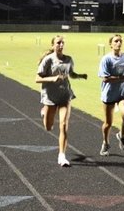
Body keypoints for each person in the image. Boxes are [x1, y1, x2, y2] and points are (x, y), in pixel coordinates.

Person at [35, 35, 87, 167]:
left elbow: (71, 74)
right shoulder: (48, 60)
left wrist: (80, 76)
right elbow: (37, 78)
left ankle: (62, 156)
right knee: (48, 127)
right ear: (53, 45)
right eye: (58, 43)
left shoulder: (68, 59)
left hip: (65, 95)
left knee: (63, 125)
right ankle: (44, 111)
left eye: (63, 43)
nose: (61, 45)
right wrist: (51, 79)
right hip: (50, 97)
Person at [97, 34, 124, 156]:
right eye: (116, 41)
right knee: (108, 123)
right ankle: (105, 142)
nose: (118, 43)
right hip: (109, 94)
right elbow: (105, 79)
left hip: (122, 93)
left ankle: (121, 134)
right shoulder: (106, 59)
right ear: (111, 44)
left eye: (120, 41)